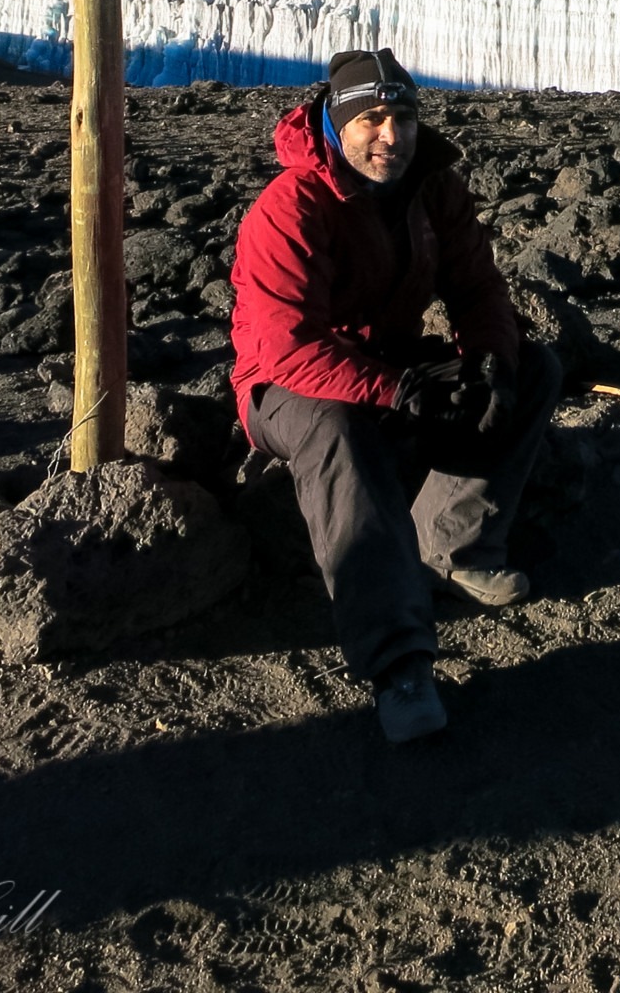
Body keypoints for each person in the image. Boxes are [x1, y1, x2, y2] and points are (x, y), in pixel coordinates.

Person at [230, 47, 562, 743]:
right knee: (337, 432)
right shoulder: (289, 209)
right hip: (284, 387)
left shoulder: (432, 188)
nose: (392, 135)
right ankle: (398, 658)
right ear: (335, 124)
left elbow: (476, 288)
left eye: (404, 117)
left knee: (532, 370)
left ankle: (455, 549)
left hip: (386, 360)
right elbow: (290, 348)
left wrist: (491, 360)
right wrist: (398, 390)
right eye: (372, 119)